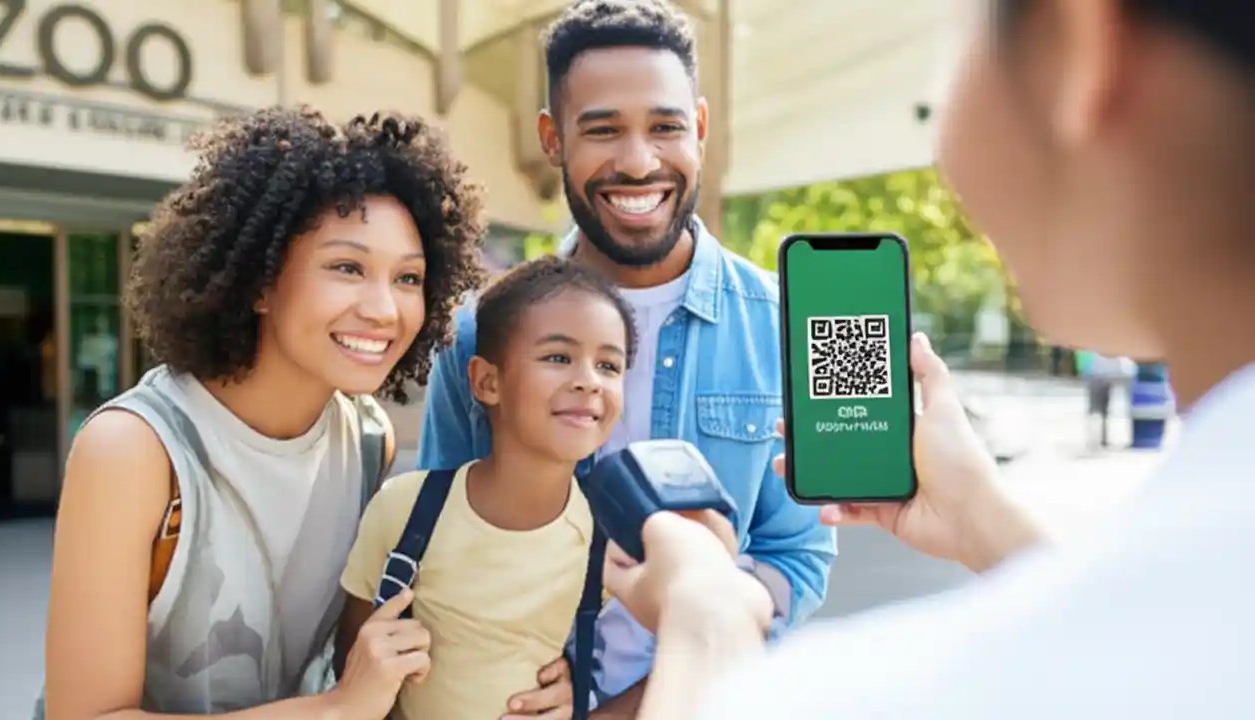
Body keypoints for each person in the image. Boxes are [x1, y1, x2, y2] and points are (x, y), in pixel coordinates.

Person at [601, 0, 1255, 717]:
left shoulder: (896, 693)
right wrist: (980, 518)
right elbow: (1136, 647)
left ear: (1077, 50)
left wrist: (710, 613)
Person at [39, 106, 572, 719]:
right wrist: (335, 710)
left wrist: (526, 677)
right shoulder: (134, 450)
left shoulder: (366, 439)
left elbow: (360, 668)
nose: (384, 309)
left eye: (408, 278)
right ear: (259, 282)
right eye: (347, 268)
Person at [416, 0, 836, 714]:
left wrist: (643, 697)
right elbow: (438, 542)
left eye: (665, 127)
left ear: (699, 127)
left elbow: (795, 560)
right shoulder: (475, 338)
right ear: (553, 139)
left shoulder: (785, 328)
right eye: (603, 129)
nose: (639, 162)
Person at [337, 256, 636, 720]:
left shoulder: (608, 543)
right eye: (558, 358)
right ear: (487, 382)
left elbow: (689, 646)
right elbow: (351, 667)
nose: (588, 381)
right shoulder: (405, 509)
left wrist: (579, 695)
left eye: (609, 366)